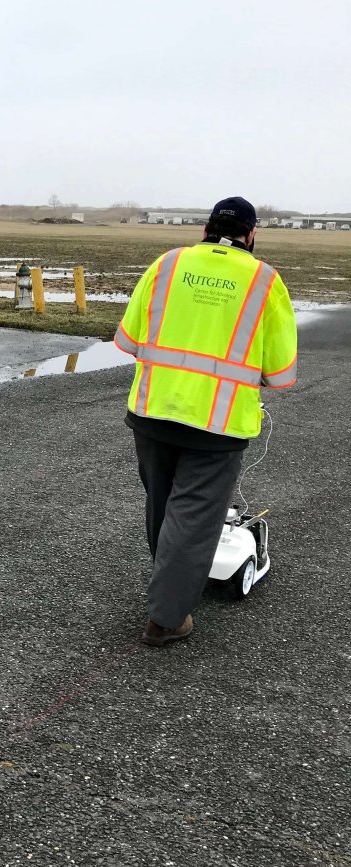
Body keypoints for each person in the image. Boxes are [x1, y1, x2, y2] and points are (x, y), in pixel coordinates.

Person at [114, 196, 298, 646]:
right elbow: (279, 372)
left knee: (162, 504)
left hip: (153, 412)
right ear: (251, 235)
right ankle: (167, 617)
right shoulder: (264, 280)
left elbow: (130, 339)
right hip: (218, 425)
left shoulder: (168, 264)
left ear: (206, 228)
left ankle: (168, 586)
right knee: (194, 517)